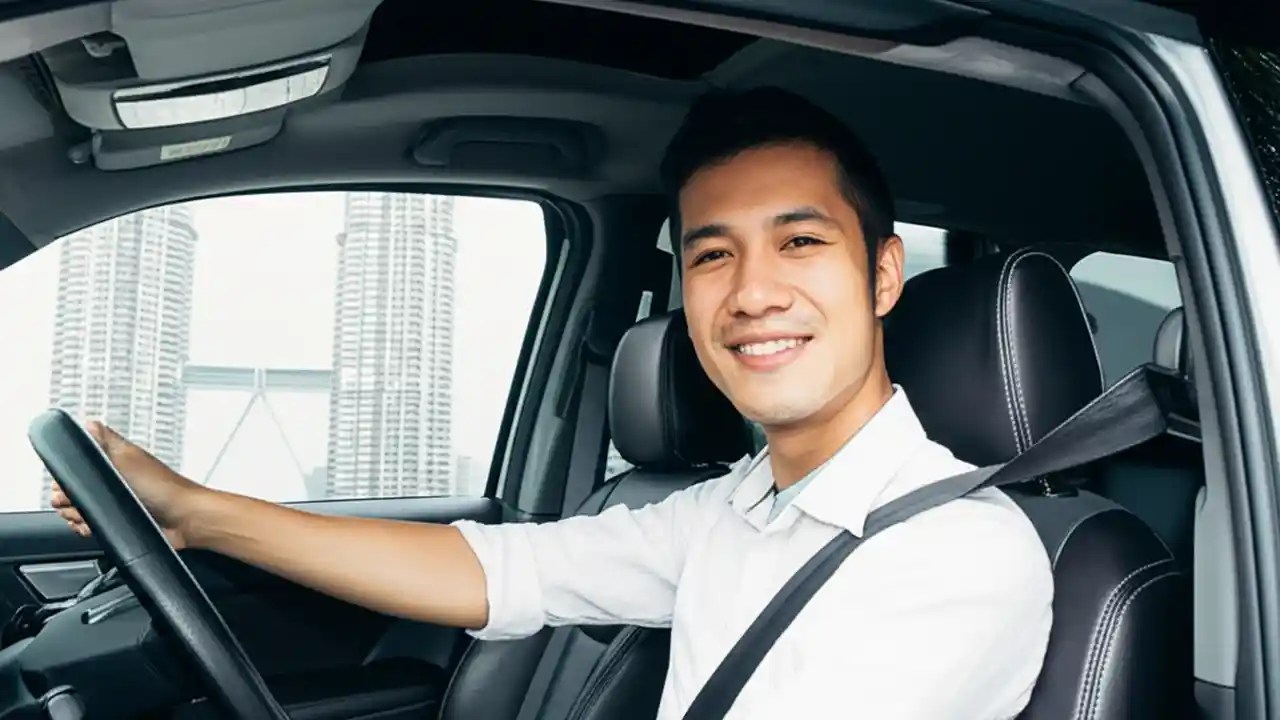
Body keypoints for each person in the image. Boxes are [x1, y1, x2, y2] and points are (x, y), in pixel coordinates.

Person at [54, 87, 1052, 718]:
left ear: (881, 277)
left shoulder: (955, 554)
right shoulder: (739, 508)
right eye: (711, 254)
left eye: (799, 242)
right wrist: (196, 511)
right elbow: (499, 569)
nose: (750, 292)